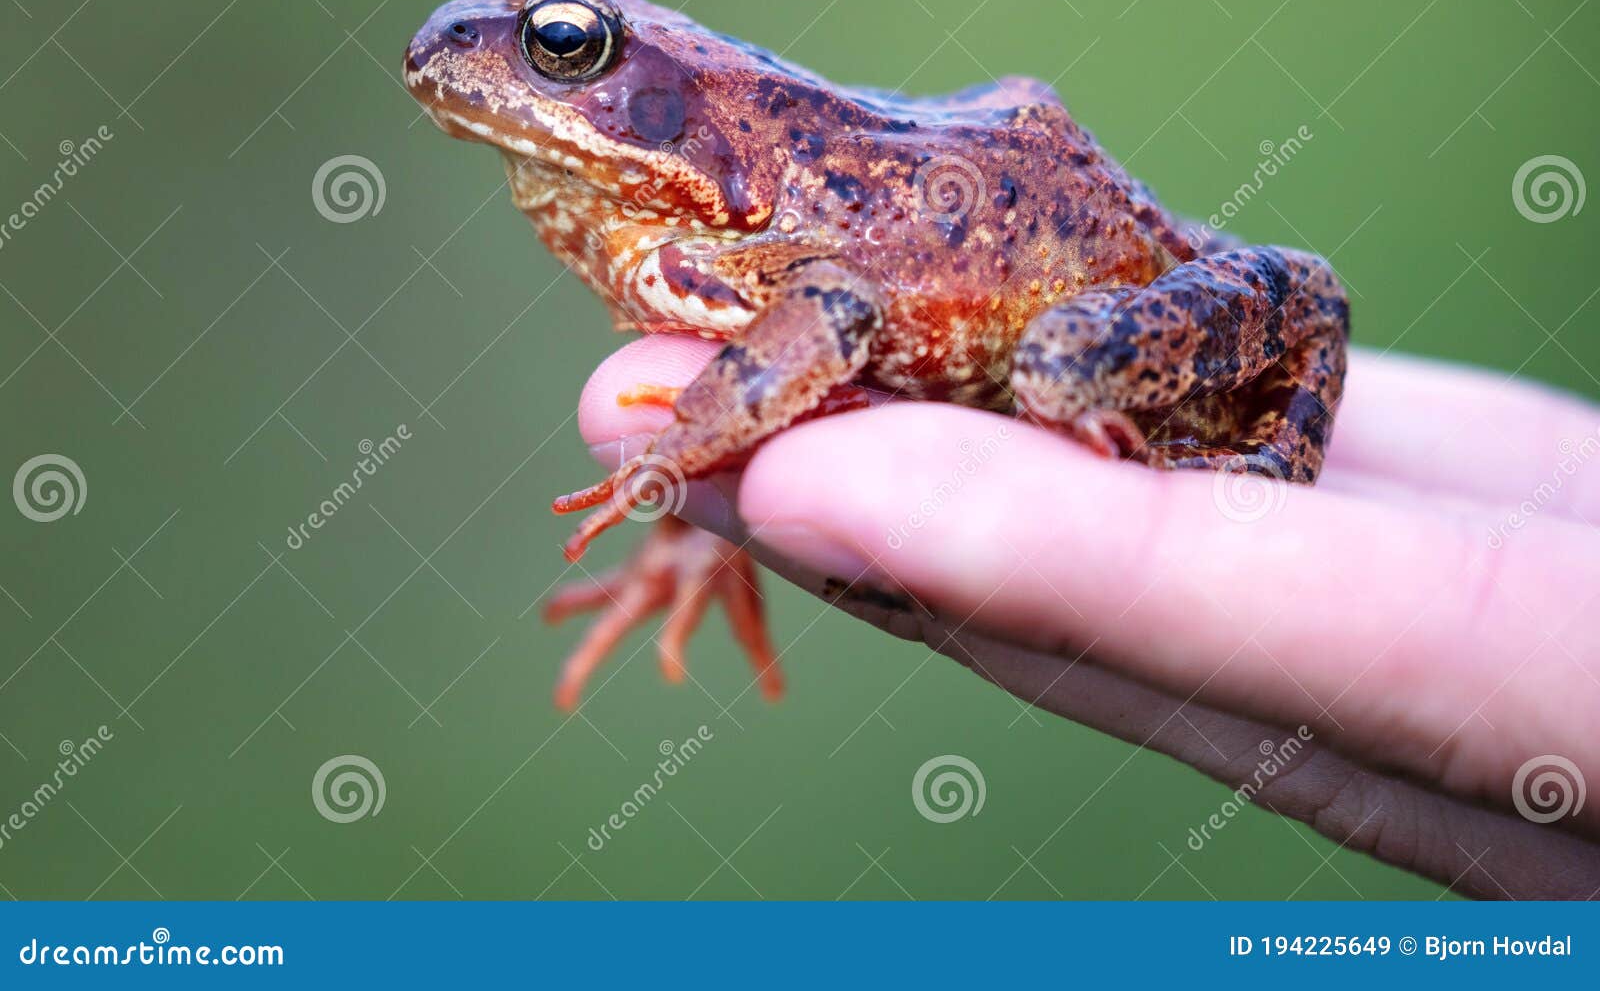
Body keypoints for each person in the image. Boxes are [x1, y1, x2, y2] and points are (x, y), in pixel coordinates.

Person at [573, 335, 1600, 900]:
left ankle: (1245, 468)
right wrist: (697, 520)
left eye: (568, 45)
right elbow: (782, 364)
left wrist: (689, 443)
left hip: (1064, 297)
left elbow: (832, 316)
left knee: (1060, 362)